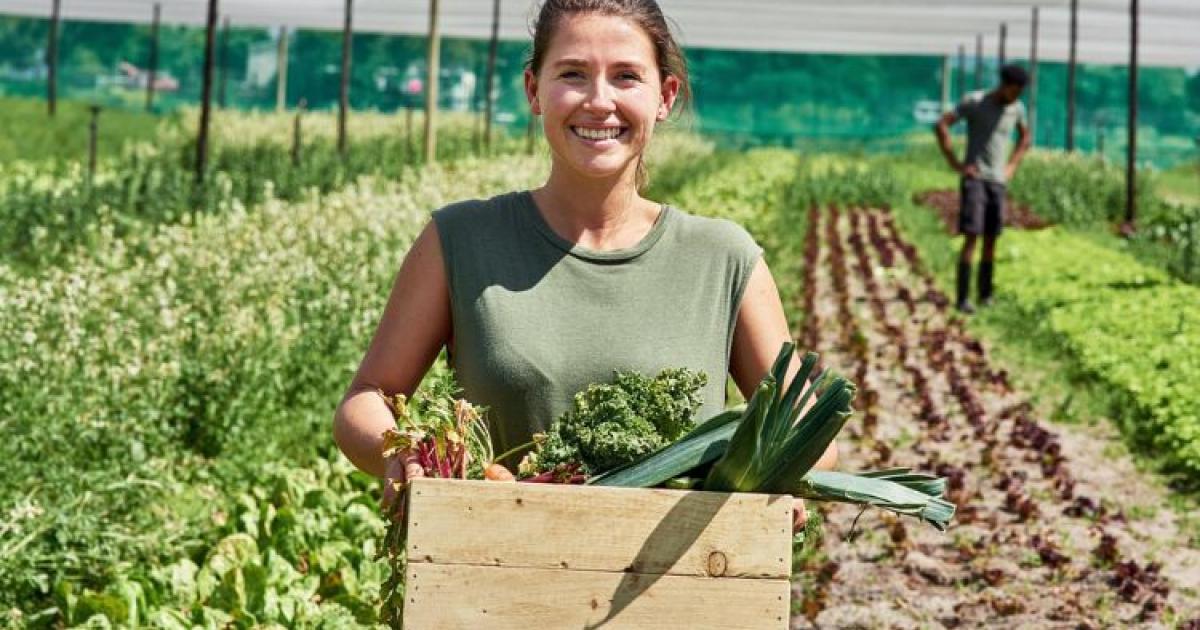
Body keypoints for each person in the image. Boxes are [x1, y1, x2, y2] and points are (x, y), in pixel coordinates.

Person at [332, 0, 836, 530]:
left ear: (664, 97)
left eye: (626, 77)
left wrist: (782, 476)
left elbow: (808, 431)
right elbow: (365, 400)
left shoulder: (725, 259)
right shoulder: (458, 240)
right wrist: (400, 453)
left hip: (674, 589)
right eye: (573, 74)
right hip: (490, 571)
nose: (599, 102)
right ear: (534, 90)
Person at [934, 64, 1031, 313]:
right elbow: (942, 124)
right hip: (975, 179)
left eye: (1020, 93)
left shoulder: (1016, 109)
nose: (1016, 96)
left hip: (997, 181)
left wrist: (1011, 167)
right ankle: (963, 297)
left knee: (992, 238)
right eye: (1014, 91)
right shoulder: (975, 102)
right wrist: (955, 163)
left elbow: (1025, 138)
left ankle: (985, 294)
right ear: (1004, 85)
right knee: (972, 236)